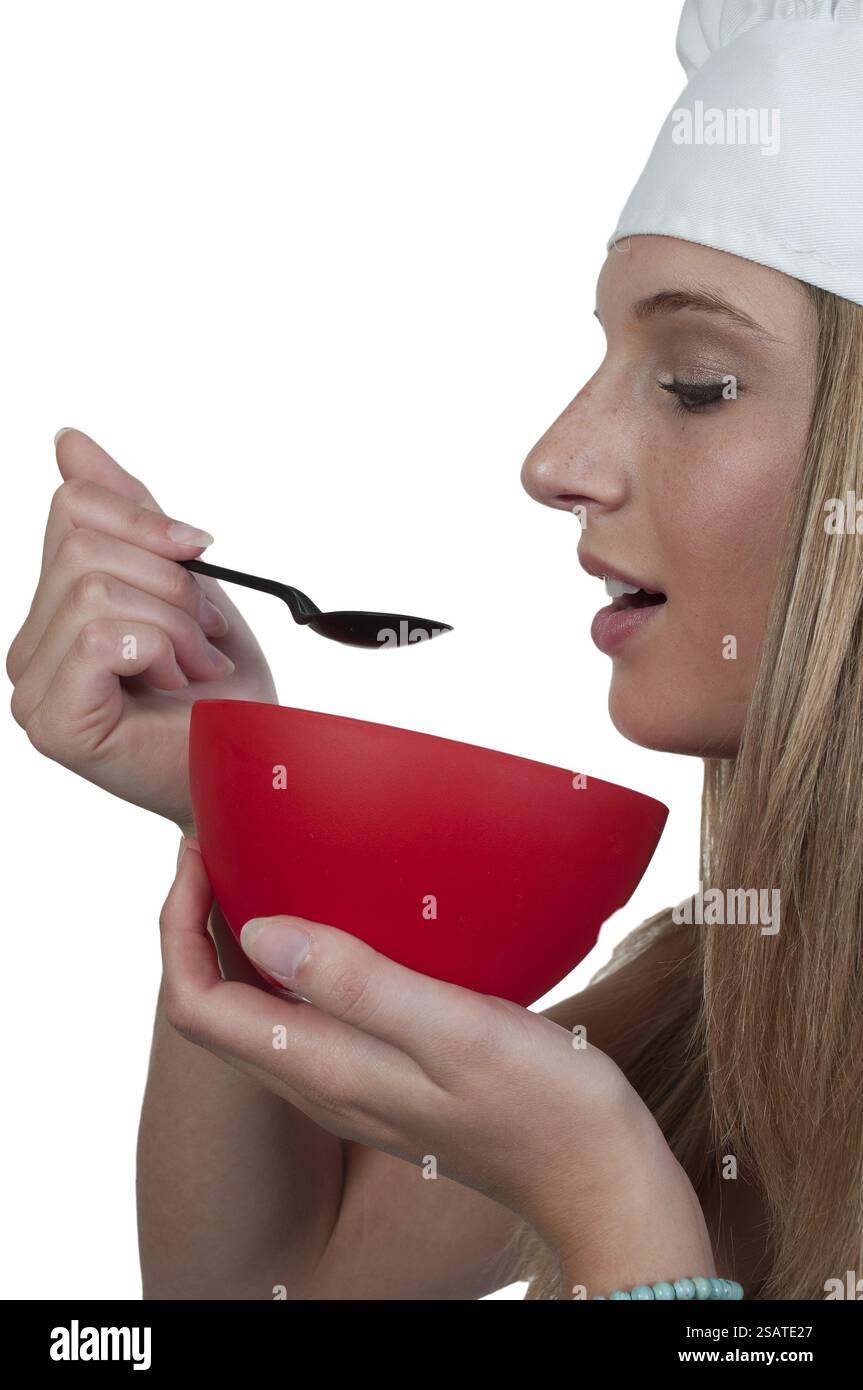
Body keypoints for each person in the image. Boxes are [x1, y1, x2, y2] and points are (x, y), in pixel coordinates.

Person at [9, 0, 863, 1299]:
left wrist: (607, 1197)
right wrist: (237, 787)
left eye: (694, 380)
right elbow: (273, 1288)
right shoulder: (728, 993)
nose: (553, 462)